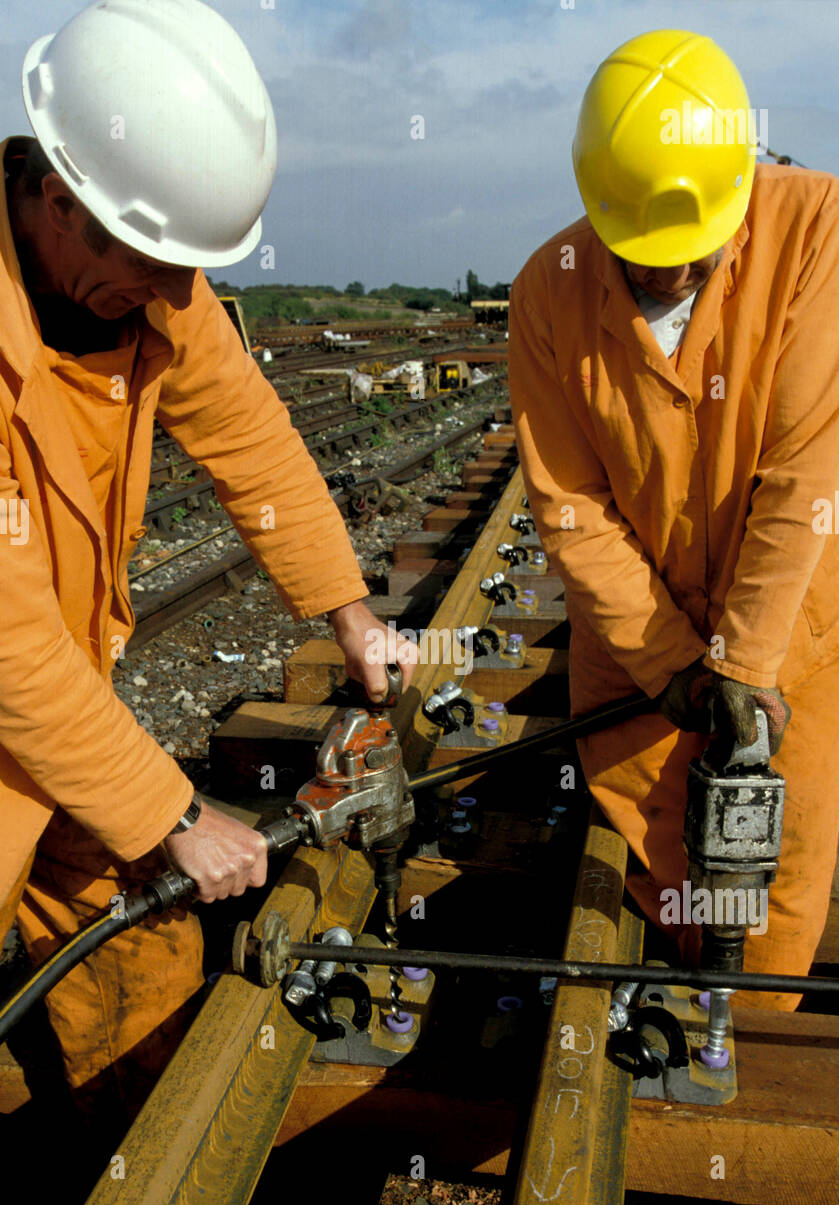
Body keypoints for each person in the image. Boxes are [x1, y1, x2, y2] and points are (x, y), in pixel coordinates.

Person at [0, 0, 416, 1119]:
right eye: (152, 261)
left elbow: (248, 439)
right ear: (55, 200)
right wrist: (174, 813)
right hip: (20, 691)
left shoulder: (152, 291)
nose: (175, 291)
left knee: (131, 934)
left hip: (56, 715)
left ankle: (125, 1156)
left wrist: (345, 609)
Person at [509, 28, 839, 1008]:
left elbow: (802, 468)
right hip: (636, 653)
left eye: (687, 256)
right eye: (637, 254)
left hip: (789, 642)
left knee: (771, 873)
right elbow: (569, 509)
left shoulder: (815, 230)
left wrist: (741, 666)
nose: (660, 277)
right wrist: (669, 669)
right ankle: (648, 1022)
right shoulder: (545, 292)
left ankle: (742, 1061)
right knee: (654, 867)